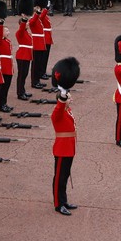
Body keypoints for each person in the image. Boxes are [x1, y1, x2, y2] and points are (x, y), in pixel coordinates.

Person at [50, 58, 79, 215]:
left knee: (65, 176)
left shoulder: (67, 111)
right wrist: (62, 95)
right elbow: (59, 107)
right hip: (62, 149)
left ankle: (64, 200)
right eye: (68, 97)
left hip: (69, 148)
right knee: (59, 178)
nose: (70, 98)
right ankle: (57, 203)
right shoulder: (58, 112)